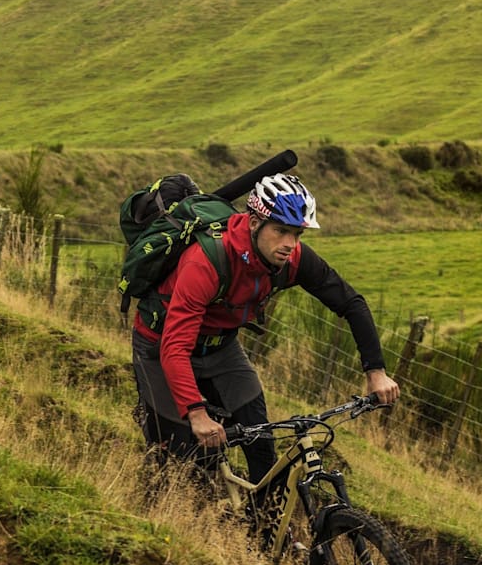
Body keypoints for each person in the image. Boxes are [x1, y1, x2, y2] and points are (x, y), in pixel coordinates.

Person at [131, 173, 400, 498]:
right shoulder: (207, 261)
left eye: (297, 233)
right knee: (181, 452)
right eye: (281, 231)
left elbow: (352, 303)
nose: (290, 243)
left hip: (221, 346)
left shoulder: (293, 259)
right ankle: (167, 507)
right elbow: (175, 346)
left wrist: (376, 372)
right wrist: (197, 413)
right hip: (160, 346)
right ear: (255, 222)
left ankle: (268, 534)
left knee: (261, 444)